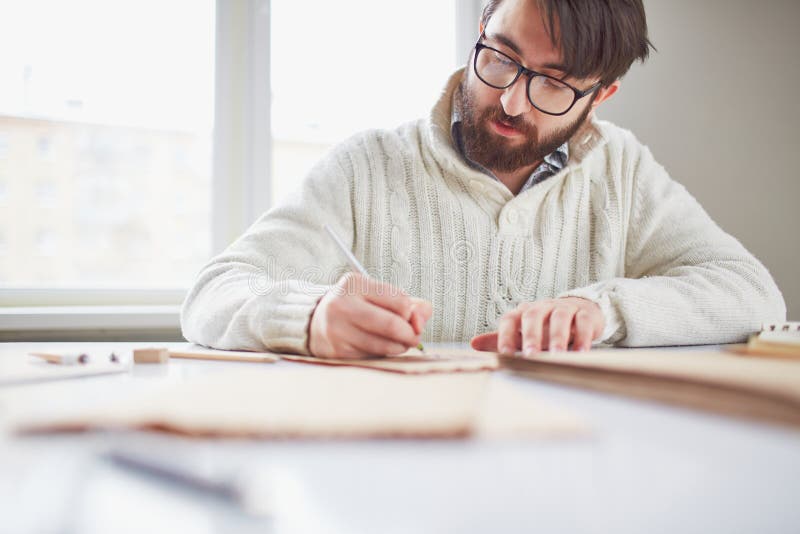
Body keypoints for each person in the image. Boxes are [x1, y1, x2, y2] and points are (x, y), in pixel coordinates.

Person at [181, 0, 786, 359]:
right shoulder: (367, 166)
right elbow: (212, 293)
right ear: (481, 27)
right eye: (500, 56)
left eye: (553, 82)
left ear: (601, 96)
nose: (512, 102)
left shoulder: (621, 170)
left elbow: (752, 292)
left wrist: (600, 309)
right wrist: (308, 319)